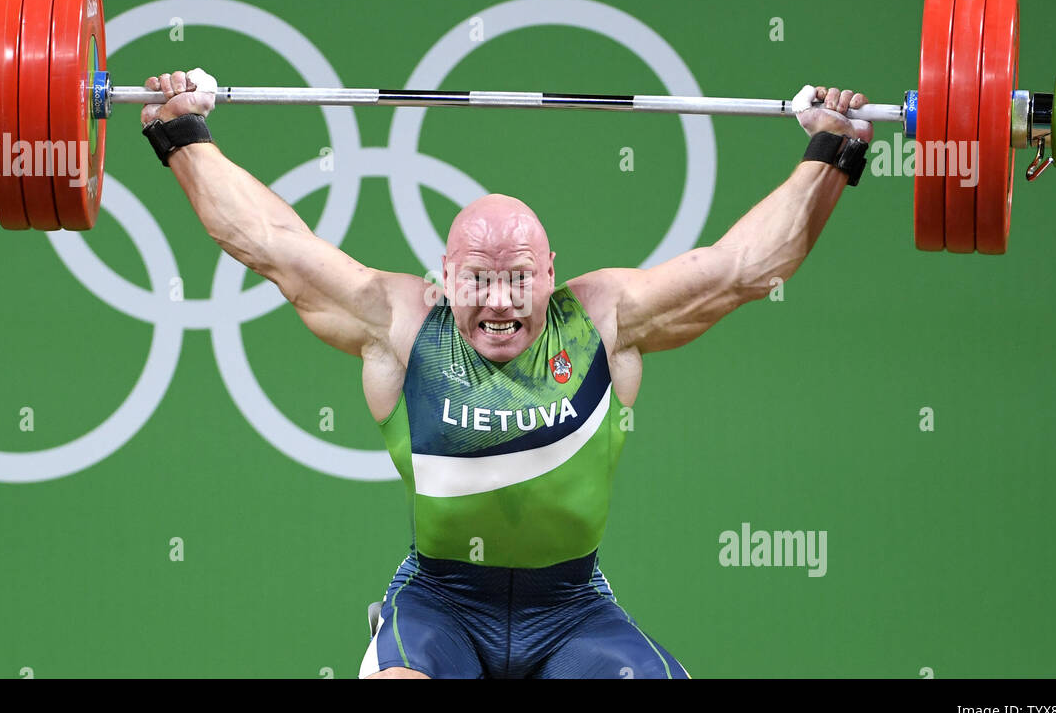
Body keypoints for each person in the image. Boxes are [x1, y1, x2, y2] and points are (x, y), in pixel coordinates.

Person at [140, 71, 872, 678]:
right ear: (446, 276)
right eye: (479, 281)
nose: (498, 302)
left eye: (518, 278)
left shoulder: (603, 320)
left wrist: (829, 152)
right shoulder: (401, 325)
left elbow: (745, 268)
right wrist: (182, 132)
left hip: (574, 610)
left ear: (550, 273)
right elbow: (272, 245)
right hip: (441, 604)